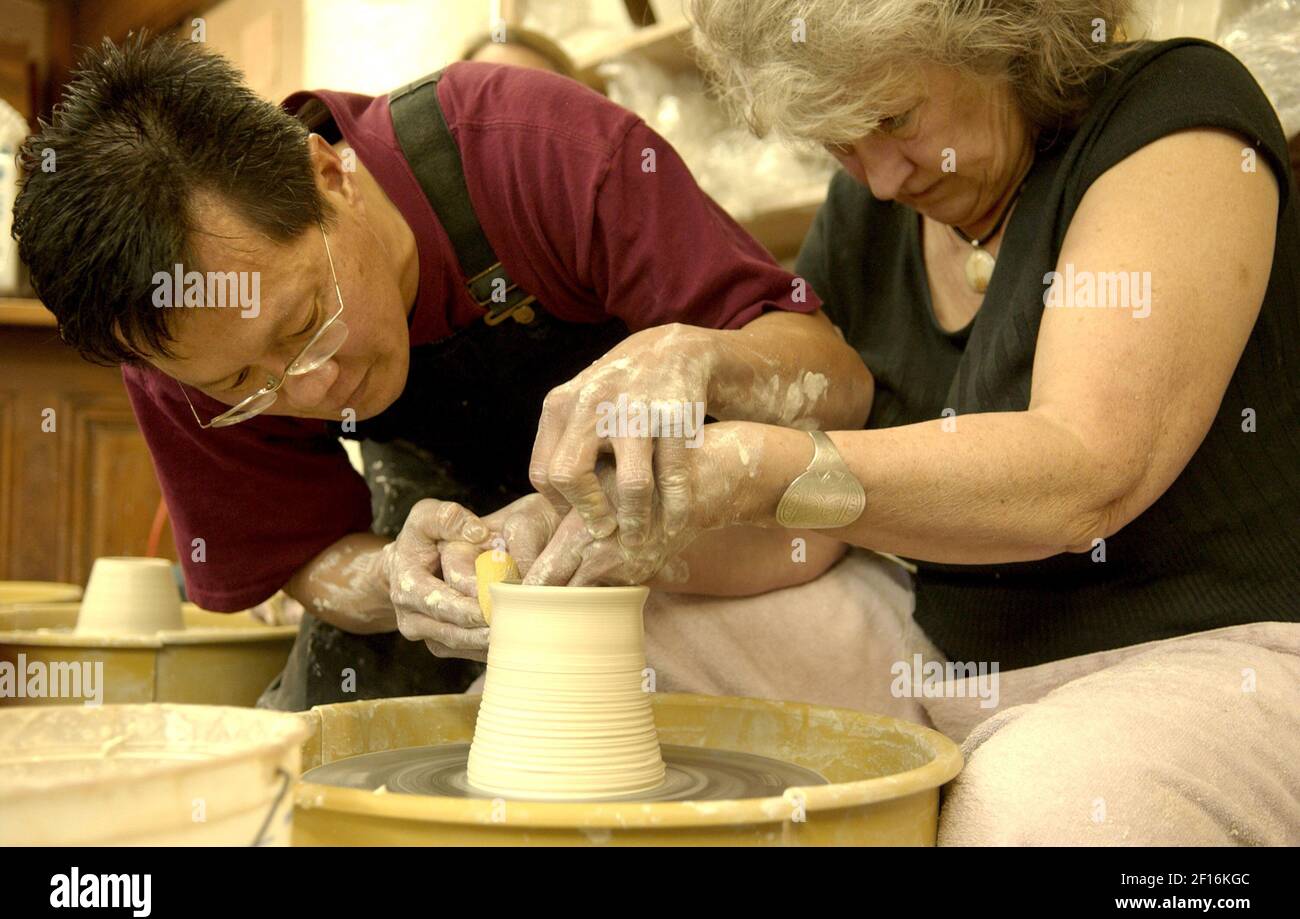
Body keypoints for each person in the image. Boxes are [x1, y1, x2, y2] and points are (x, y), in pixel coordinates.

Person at [463, 0, 1299, 844]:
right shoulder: (872, 206)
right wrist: (585, 525)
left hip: (1210, 651)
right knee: (614, 668)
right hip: (944, 644)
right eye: (839, 142)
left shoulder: (1173, 116)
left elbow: (1083, 474)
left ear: (999, 34)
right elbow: (811, 533)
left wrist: (757, 464)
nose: (885, 177)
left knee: (1035, 811)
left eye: (895, 118)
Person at [11, 34, 869, 708]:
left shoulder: (530, 148)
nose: (309, 390)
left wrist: (699, 356)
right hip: (447, 570)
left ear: (328, 174)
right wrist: (390, 580)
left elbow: (836, 378)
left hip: (695, 541)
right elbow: (300, 554)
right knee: (321, 757)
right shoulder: (174, 343)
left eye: (308, 323)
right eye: (247, 387)